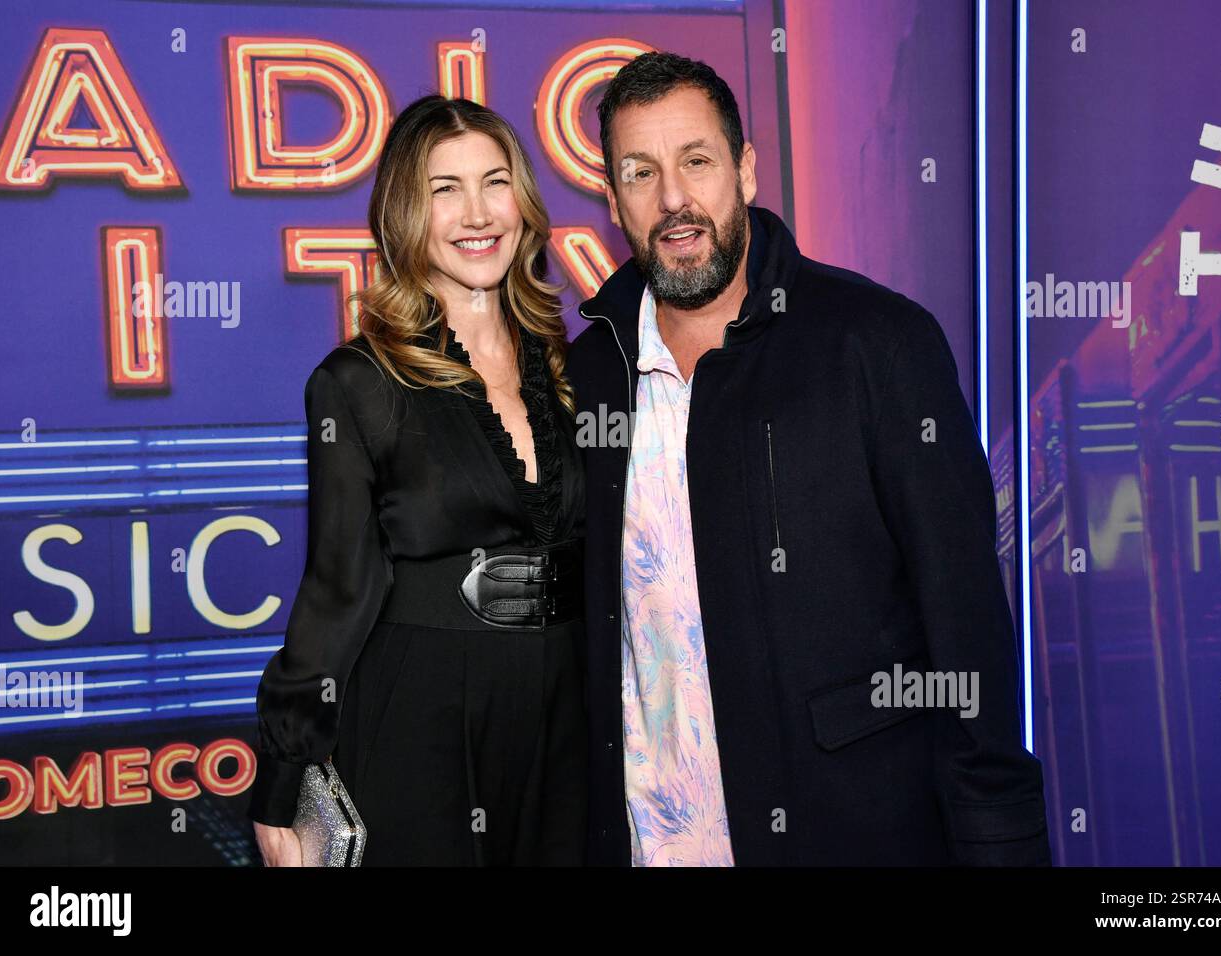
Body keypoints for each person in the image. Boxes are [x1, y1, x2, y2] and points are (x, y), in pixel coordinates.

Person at [566, 51, 1052, 866]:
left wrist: (999, 843)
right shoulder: (587, 377)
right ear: (612, 197)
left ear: (745, 170)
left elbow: (965, 624)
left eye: (697, 161)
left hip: (853, 836)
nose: (674, 200)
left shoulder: (877, 343)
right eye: (641, 172)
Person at [248, 96, 586, 866]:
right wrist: (281, 779)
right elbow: (337, 589)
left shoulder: (576, 367)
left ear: (524, 203)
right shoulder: (357, 383)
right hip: (421, 713)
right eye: (444, 189)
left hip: (569, 704)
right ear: (406, 213)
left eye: (494, 182)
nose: (476, 212)